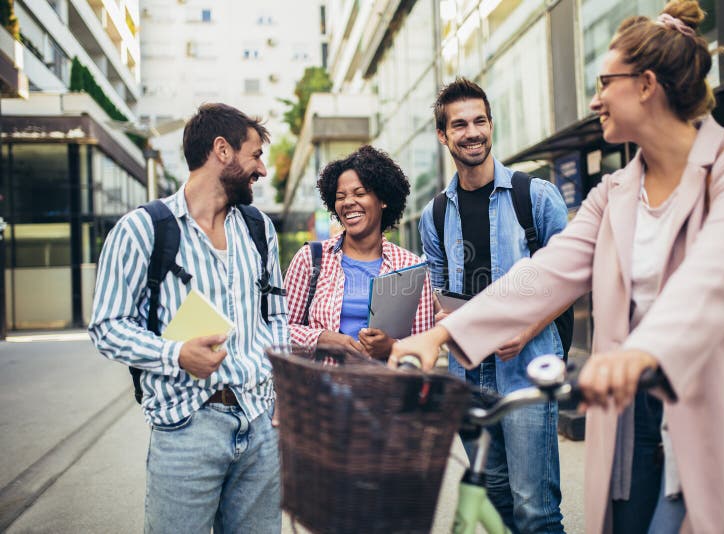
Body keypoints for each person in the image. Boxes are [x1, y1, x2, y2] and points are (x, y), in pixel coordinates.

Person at [392, 1, 724, 533]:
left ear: (646, 85)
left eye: (606, 82)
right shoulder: (614, 192)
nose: (594, 98)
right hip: (634, 417)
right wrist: (442, 335)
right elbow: (543, 273)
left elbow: (715, 273)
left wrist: (639, 353)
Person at [89, 103, 288, 533]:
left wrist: (283, 391)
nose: (262, 170)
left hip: (260, 422)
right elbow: (107, 326)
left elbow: (277, 314)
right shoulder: (141, 230)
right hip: (185, 426)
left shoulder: (258, 229)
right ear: (222, 150)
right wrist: (175, 354)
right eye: (255, 155)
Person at [418, 78, 568, 533]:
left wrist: (525, 327)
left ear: (491, 124)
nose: (472, 132)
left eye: (480, 120)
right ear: (444, 135)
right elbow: (441, 290)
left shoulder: (535, 196)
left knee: (535, 510)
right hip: (468, 376)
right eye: (459, 124)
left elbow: (568, 280)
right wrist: (446, 319)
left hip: (526, 366)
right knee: (498, 507)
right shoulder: (435, 214)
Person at [284, 144, 433, 359]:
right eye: (340, 196)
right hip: (322, 389)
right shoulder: (311, 259)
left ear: (382, 200)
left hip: (386, 389)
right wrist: (322, 338)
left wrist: (391, 346)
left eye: (360, 193)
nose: (348, 203)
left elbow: (424, 345)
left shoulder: (410, 268)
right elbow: (279, 331)